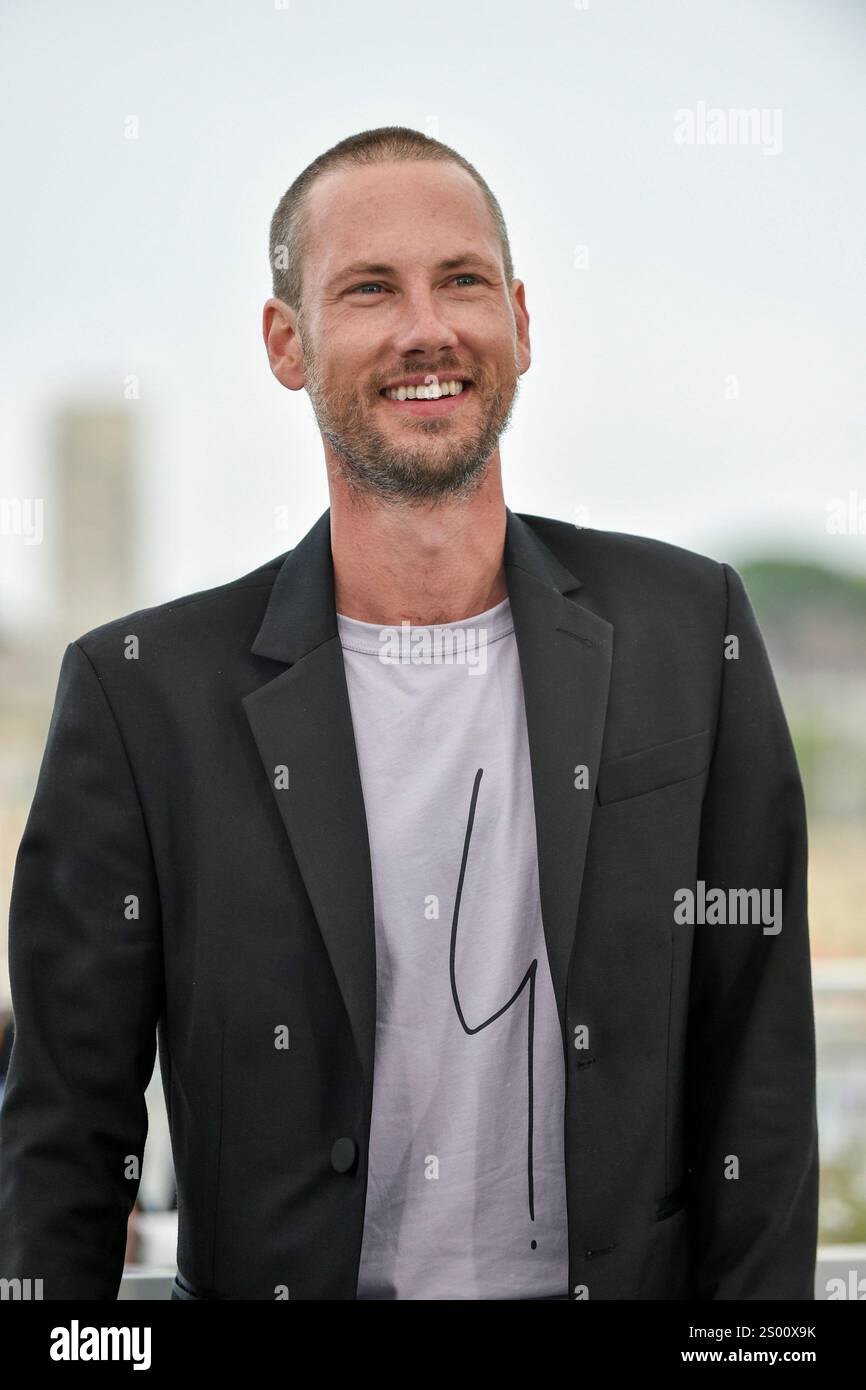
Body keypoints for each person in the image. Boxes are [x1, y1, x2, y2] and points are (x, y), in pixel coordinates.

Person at [0, 126, 818, 1300]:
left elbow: (760, 1073)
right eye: (370, 288)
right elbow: (65, 1127)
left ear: (521, 323)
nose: (425, 329)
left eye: (463, 281)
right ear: (288, 342)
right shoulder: (142, 695)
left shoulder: (692, 632)